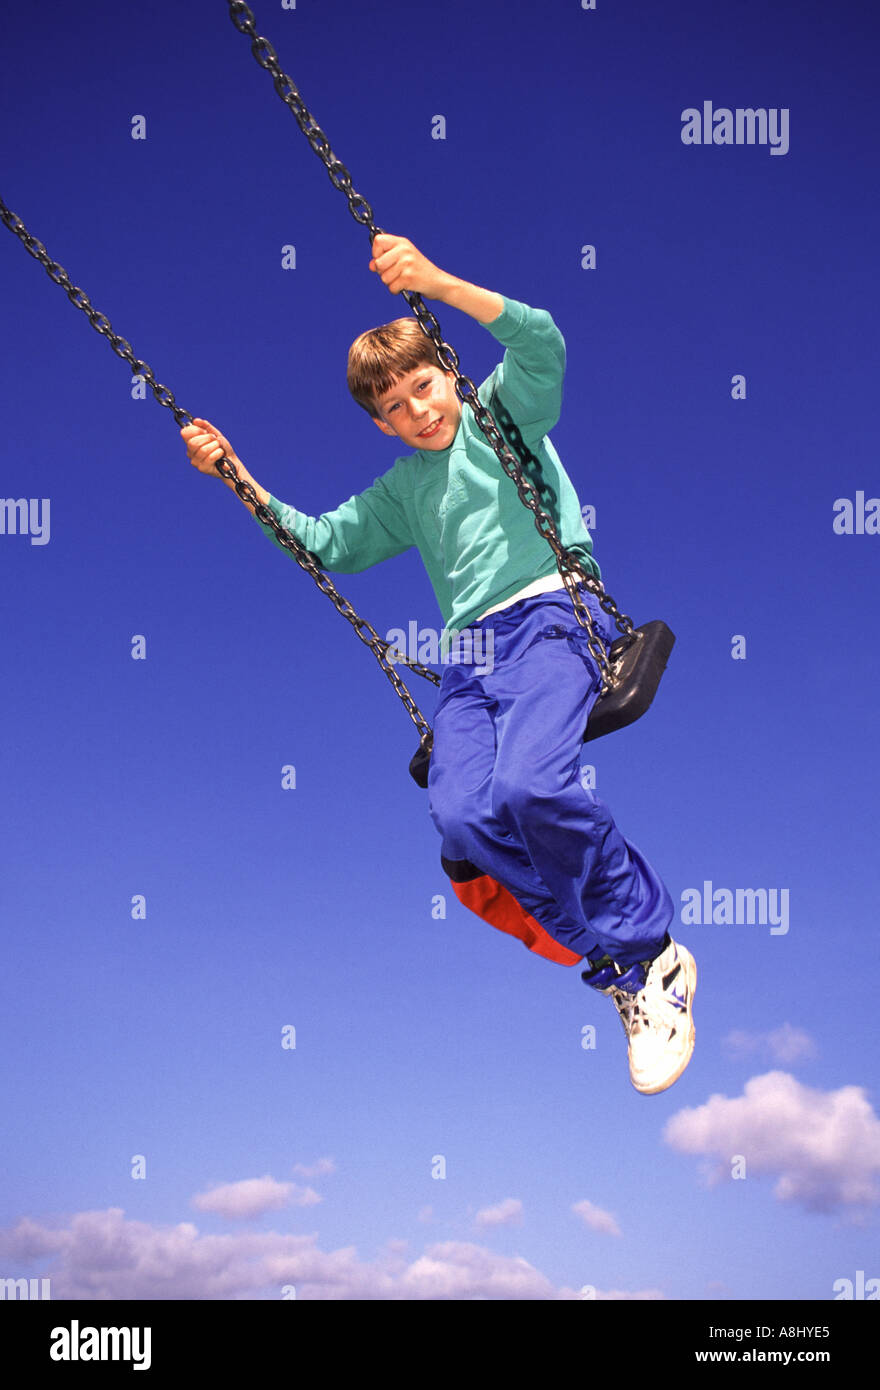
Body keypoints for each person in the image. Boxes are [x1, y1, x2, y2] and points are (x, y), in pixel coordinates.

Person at [180, 233, 696, 1095]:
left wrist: (437, 283)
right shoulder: (400, 492)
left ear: (447, 372)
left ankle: (651, 953)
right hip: (469, 663)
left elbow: (543, 342)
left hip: (550, 617)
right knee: (463, 822)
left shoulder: (502, 413)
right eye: (395, 408)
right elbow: (327, 545)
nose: (417, 412)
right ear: (378, 422)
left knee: (530, 789)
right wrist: (235, 474)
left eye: (424, 387)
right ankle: (622, 967)